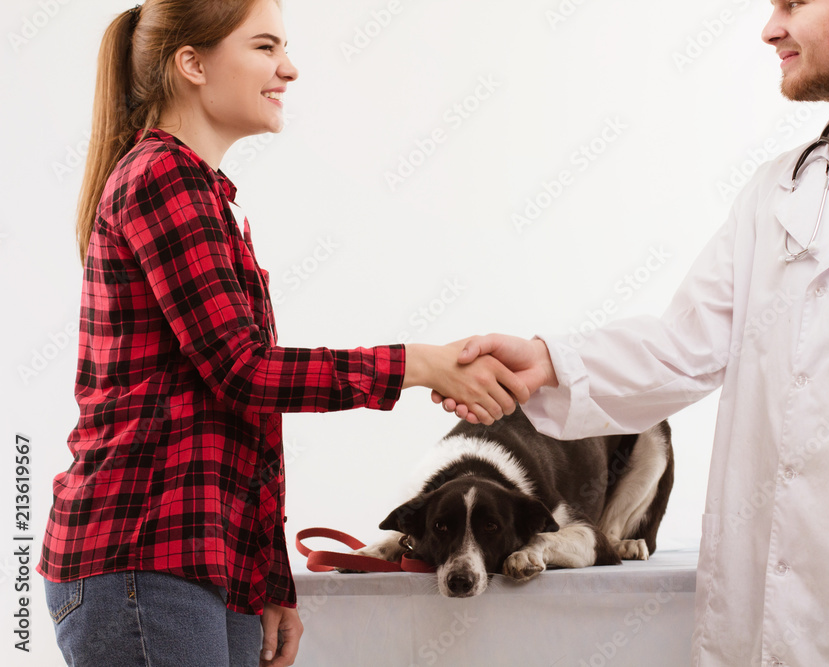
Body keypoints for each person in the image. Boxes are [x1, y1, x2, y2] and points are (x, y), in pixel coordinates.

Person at [435, 1, 829, 664]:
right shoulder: (778, 194)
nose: (770, 28)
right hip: (765, 609)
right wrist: (549, 361)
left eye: (794, 3)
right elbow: (683, 346)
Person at [38, 1, 528, 666]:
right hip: (142, 564)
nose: (290, 69)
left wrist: (268, 579)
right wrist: (419, 363)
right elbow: (246, 368)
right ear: (192, 64)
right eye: (266, 47)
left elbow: (245, 415)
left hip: (200, 571)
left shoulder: (206, 197)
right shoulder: (161, 178)